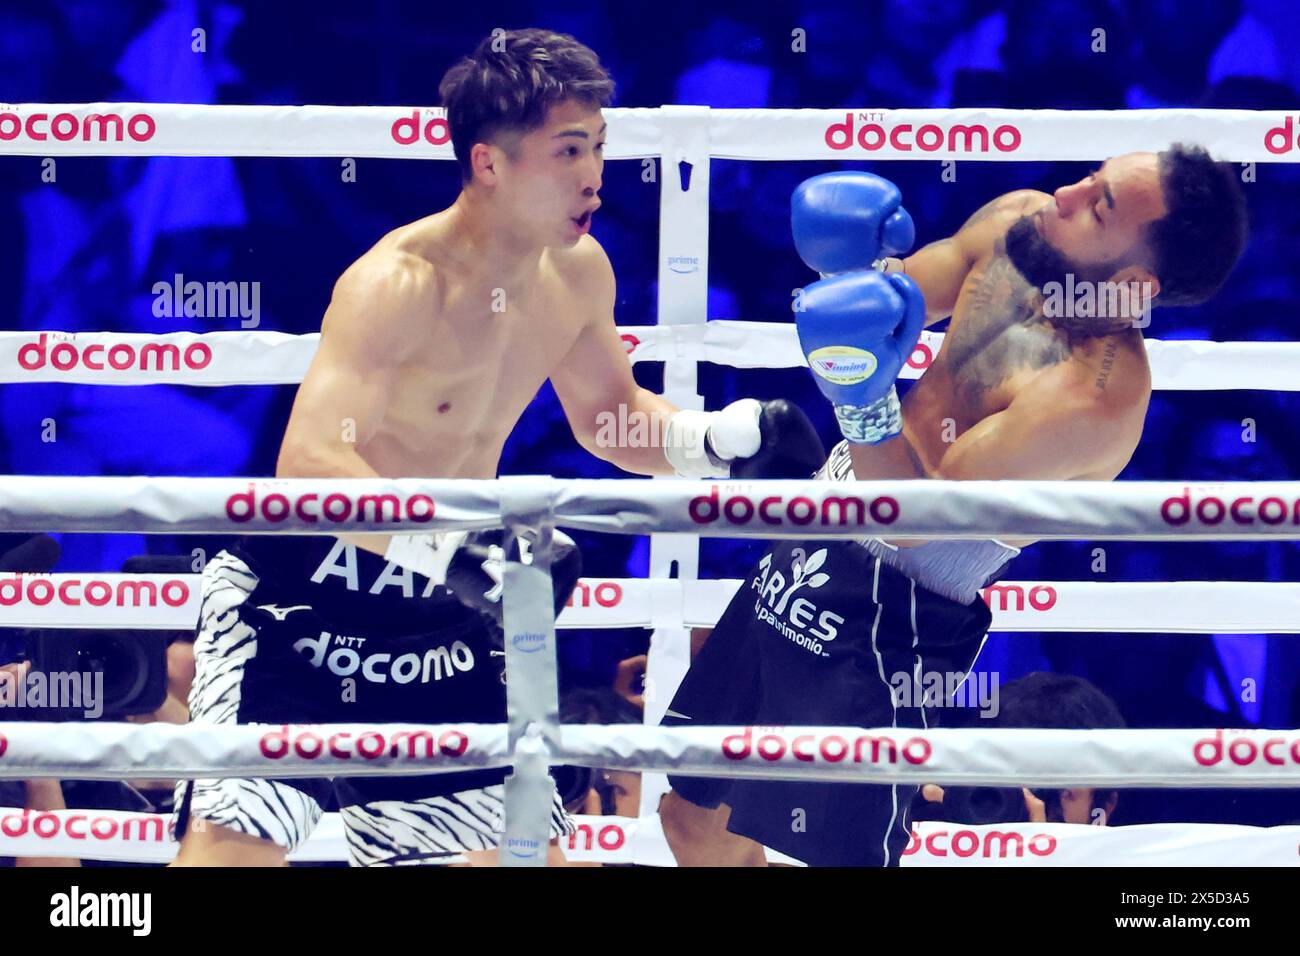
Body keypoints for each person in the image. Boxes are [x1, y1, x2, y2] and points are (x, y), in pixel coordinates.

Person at [171, 28, 824, 868]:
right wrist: (450, 547)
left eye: (598, 146)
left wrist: (721, 442)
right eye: (568, 150)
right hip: (305, 602)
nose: (594, 174)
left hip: (444, 614)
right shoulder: (398, 283)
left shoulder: (578, 272)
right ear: (489, 164)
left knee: (519, 860)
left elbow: (609, 419)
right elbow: (309, 465)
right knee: (231, 853)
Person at [660, 145, 1249, 867]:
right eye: (1092, 177)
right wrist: (848, 272)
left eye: (1099, 207)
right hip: (821, 523)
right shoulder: (1019, 223)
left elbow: (912, 523)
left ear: (1133, 283)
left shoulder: (1092, 400)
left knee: (834, 858)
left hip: (891, 611)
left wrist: (863, 395)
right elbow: (887, 302)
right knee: (693, 819)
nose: (1066, 193)